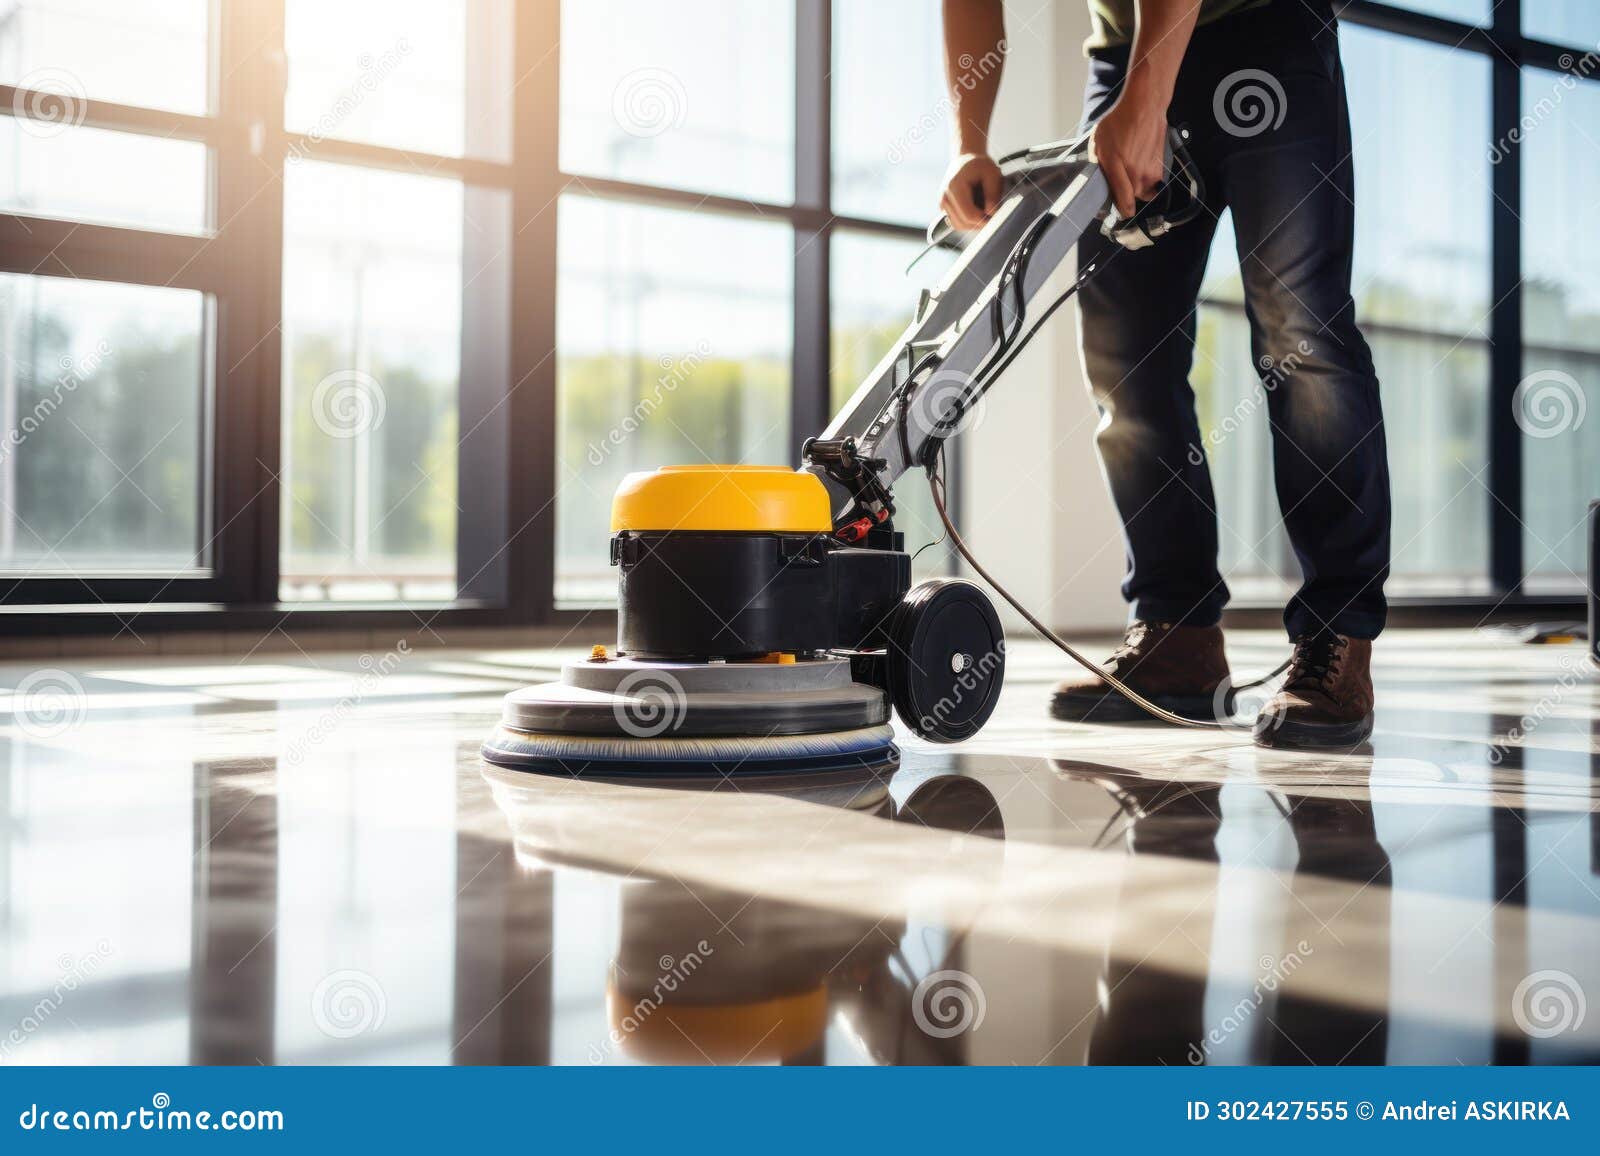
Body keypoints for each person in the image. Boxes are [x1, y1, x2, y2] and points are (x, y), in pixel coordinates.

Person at [939, 0, 1391, 749]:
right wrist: (967, 143)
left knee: (1301, 334)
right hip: (1120, 57)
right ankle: (1177, 635)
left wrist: (1147, 100)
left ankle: (1338, 637)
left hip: (1266, 30)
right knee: (1126, 358)